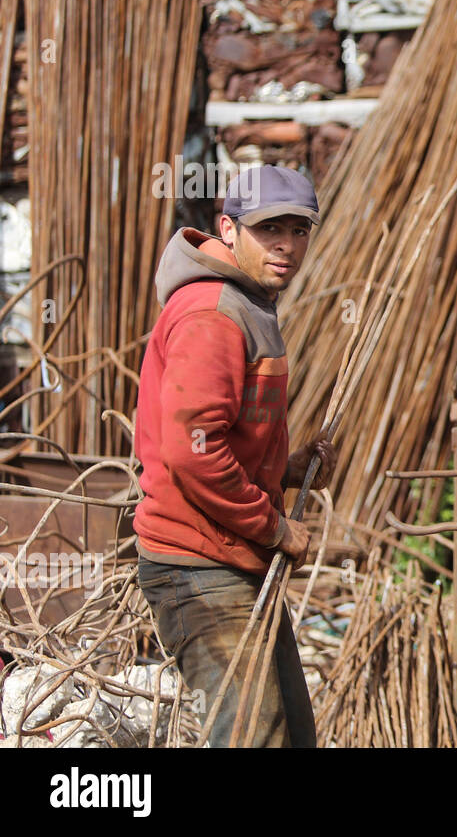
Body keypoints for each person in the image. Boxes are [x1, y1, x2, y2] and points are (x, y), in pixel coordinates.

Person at [133, 165, 337, 747]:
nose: (287, 245)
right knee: (252, 739)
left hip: (230, 557)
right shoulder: (214, 314)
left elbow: (221, 436)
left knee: (292, 735)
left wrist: (286, 467)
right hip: (198, 565)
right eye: (269, 228)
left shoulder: (248, 303)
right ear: (228, 229)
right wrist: (275, 528)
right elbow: (193, 454)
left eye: (300, 230)